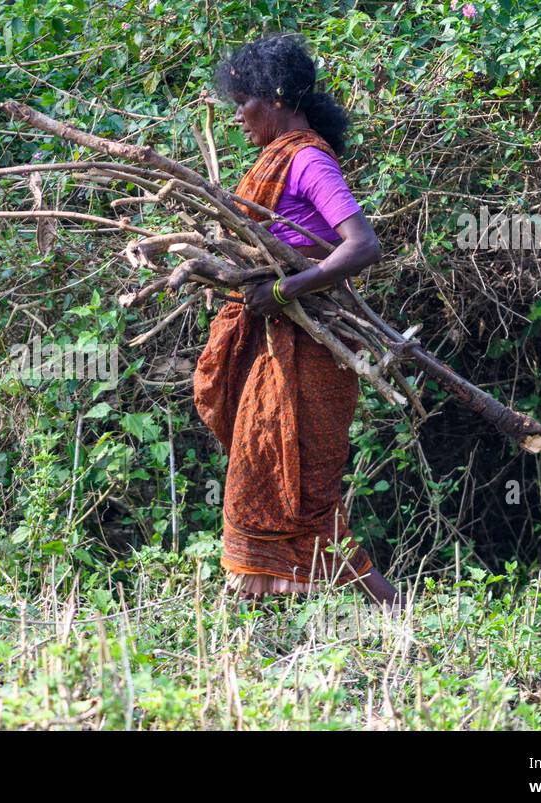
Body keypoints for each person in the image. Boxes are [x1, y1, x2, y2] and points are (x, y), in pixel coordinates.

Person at [194, 33, 401, 607]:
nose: (238, 115)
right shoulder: (274, 160)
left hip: (310, 352)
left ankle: (395, 613)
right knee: (265, 473)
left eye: (245, 101)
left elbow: (361, 246)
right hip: (275, 344)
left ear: (278, 96)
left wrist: (286, 291)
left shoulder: (307, 159)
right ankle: (259, 630)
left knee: (305, 495)